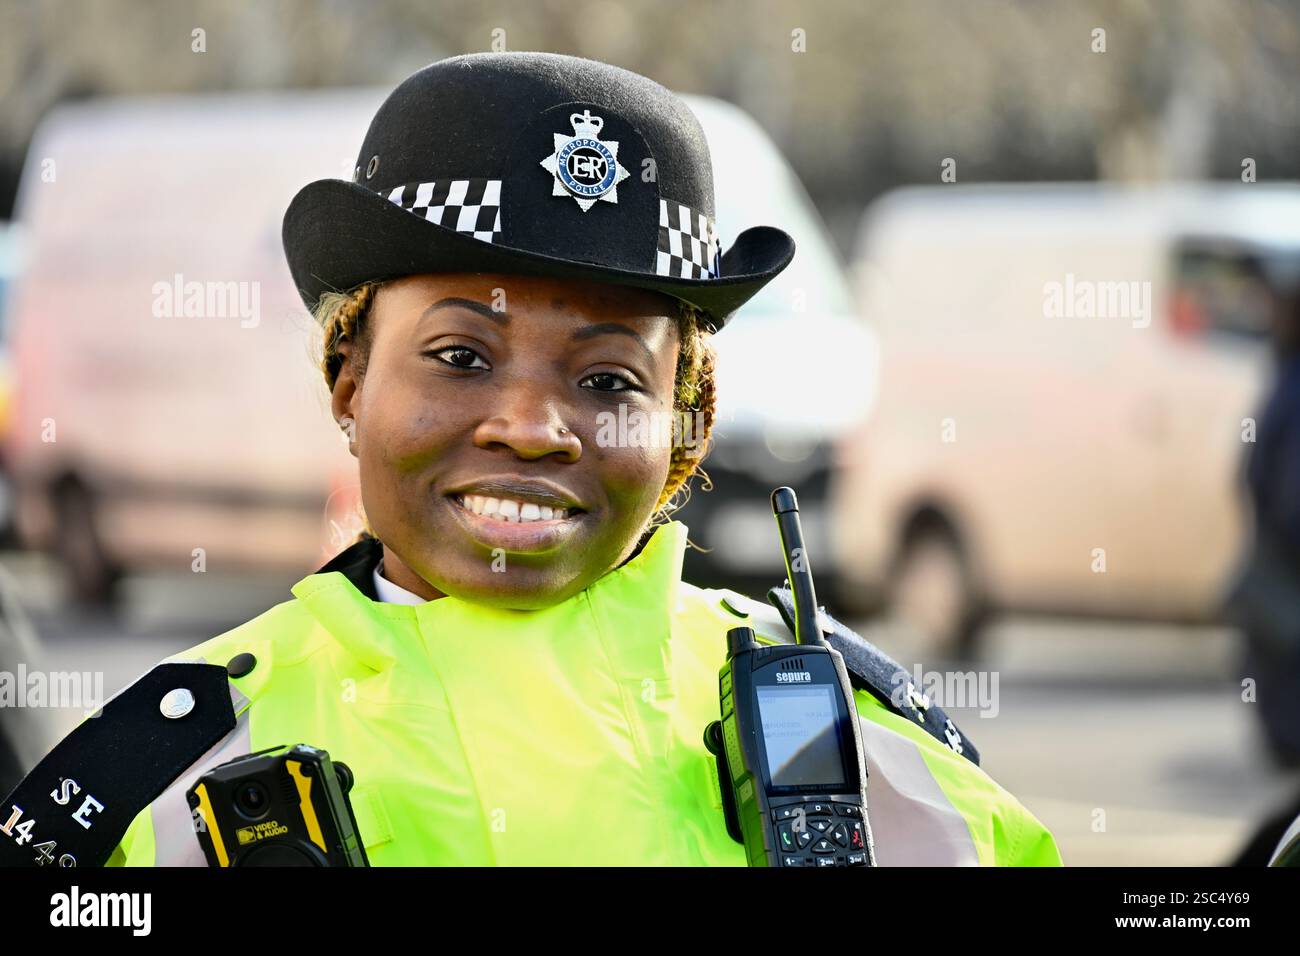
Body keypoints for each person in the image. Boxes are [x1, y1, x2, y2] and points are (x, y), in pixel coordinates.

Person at [7, 51, 1061, 867]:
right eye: (460, 355)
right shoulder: (161, 773)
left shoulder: (858, 740)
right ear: (348, 383)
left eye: (607, 380)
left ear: (683, 426)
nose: (533, 425)